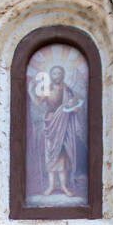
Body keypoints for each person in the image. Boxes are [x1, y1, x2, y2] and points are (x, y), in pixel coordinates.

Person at [29, 63, 85, 199]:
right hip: (50, 122)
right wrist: (31, 91)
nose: (56, 76)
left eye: (59, 73)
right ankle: (51, 185)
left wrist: (73, 107)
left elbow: (77, 107)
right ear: (50, 75)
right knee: (50, 154)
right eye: (54, 73)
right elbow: (38, 103)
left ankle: (64, 186)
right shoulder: (47, 89)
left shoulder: (68, 89)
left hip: (64, 123)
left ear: (63, 75)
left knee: (63, 155)